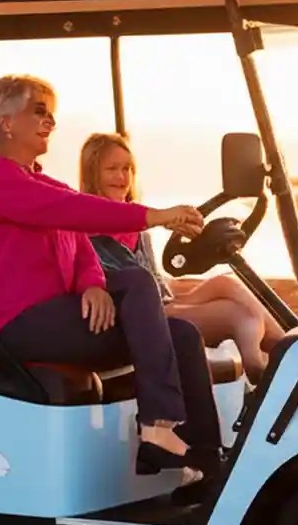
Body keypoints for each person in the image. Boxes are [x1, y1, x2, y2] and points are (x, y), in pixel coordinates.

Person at [0, 74, 222, 494]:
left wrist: (92, 284)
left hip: (54, 318)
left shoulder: (42, 183)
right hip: (4, 326)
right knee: (135, 281)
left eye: (51, 114)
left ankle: (206, 466)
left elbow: (80, 246)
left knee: (183, 335)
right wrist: (155, 216)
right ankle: (156, 424)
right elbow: (69, 210)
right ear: (6, 122)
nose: (50, 121)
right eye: (38, 112)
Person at [78, 132, 284, 383]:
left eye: (127, 169)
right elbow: (114, 224)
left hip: (161, 303)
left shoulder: (139, 232)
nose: (122, 177)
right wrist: (162, 219)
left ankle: (286, 346)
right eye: (112, 169)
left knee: (226, 282)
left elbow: (158, 284)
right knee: (236, 315)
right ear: (92, 174)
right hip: (134, 317)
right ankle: (259, 369)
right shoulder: (87, 223)